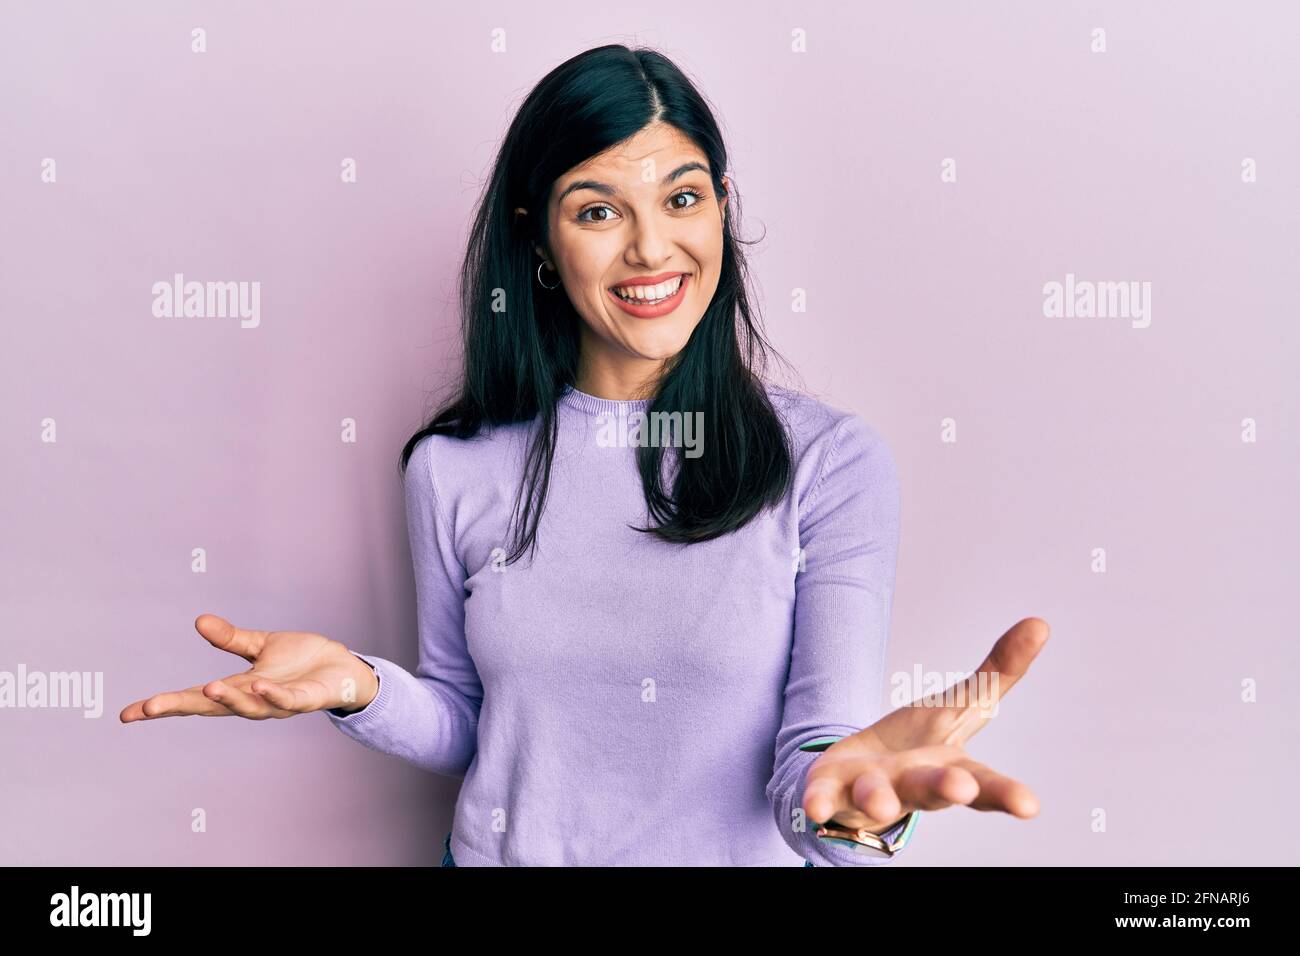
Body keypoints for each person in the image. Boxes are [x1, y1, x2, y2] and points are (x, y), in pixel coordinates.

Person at [120, 44, 1048, 866]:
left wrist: (853, 807)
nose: (653, 248)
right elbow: (476, 725)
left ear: (722, 209)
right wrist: (362, 690)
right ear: (537, 238)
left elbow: (820, 762)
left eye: (682, 197)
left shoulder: (832, 464)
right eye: (598, 211)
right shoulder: (454, 467)